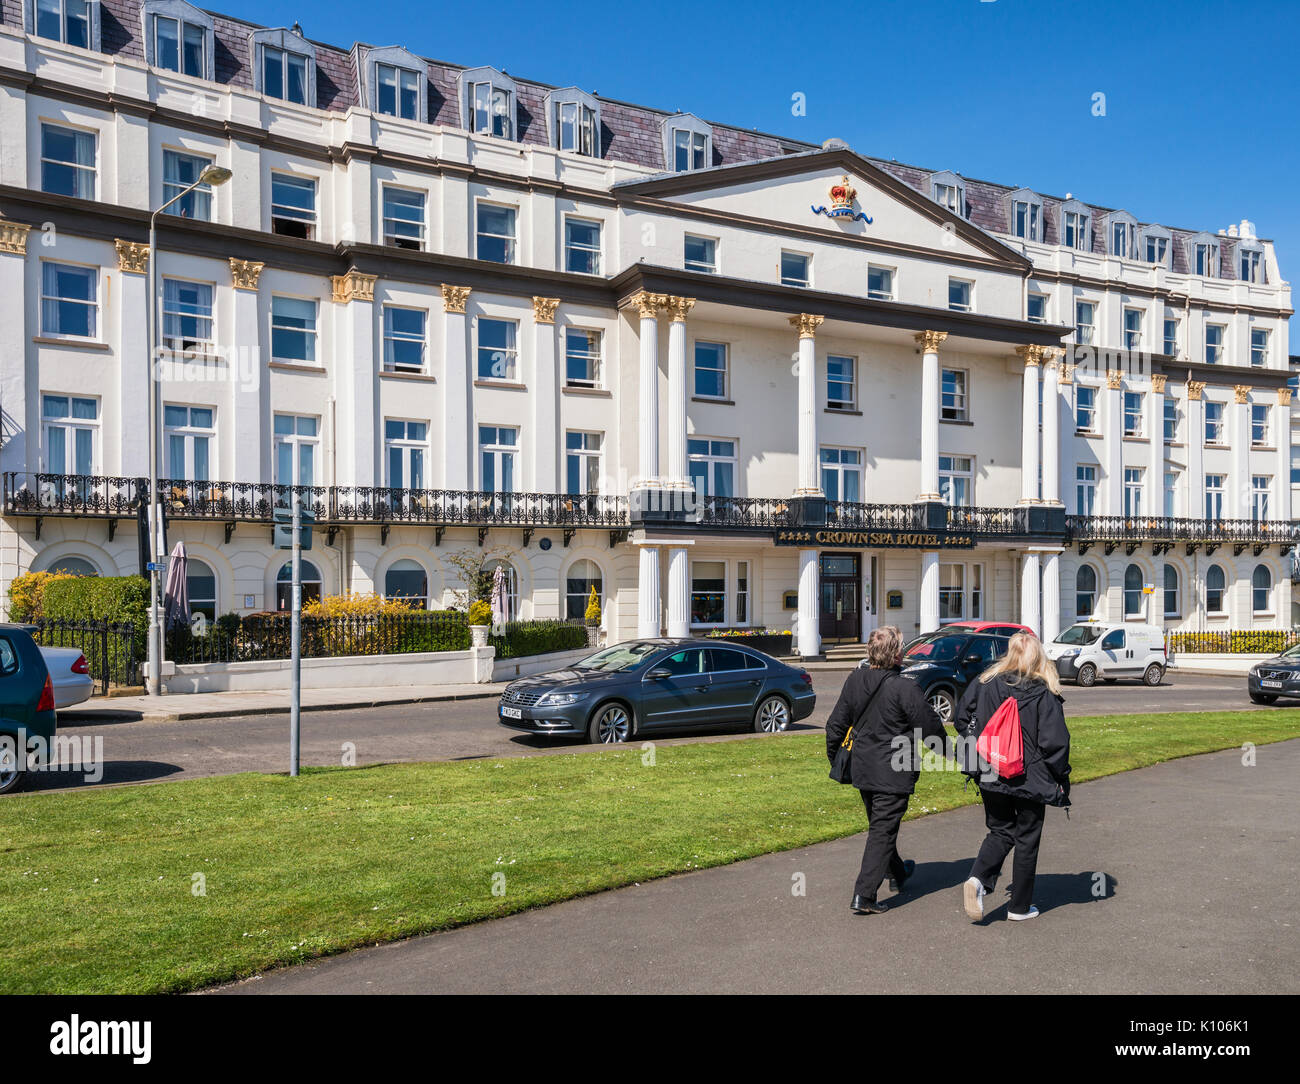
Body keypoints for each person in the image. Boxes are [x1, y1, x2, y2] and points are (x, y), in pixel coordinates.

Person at [825, 625, 945, 915]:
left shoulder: (855, 680)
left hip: (865, 769)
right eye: (901, 647)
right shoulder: (905, 687)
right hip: (893, 770)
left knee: (882, 827)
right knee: (881, 830)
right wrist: (950, 752)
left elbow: (834, 727)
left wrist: (838, 760)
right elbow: (930, 727)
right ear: (896, 655)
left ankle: (898, 873)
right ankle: (864, 895)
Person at [953, 632, 1071, 923]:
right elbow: (1054, 743)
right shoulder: (1044, 691)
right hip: (1029, 776)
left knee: (1001, 830)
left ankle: (978, 878)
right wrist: (1061, 778)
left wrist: (980, 742)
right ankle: (1018, 907)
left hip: (991, 768)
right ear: (1038, 656)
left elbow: (959, 720)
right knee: (1028, 838)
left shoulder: (985, 683)